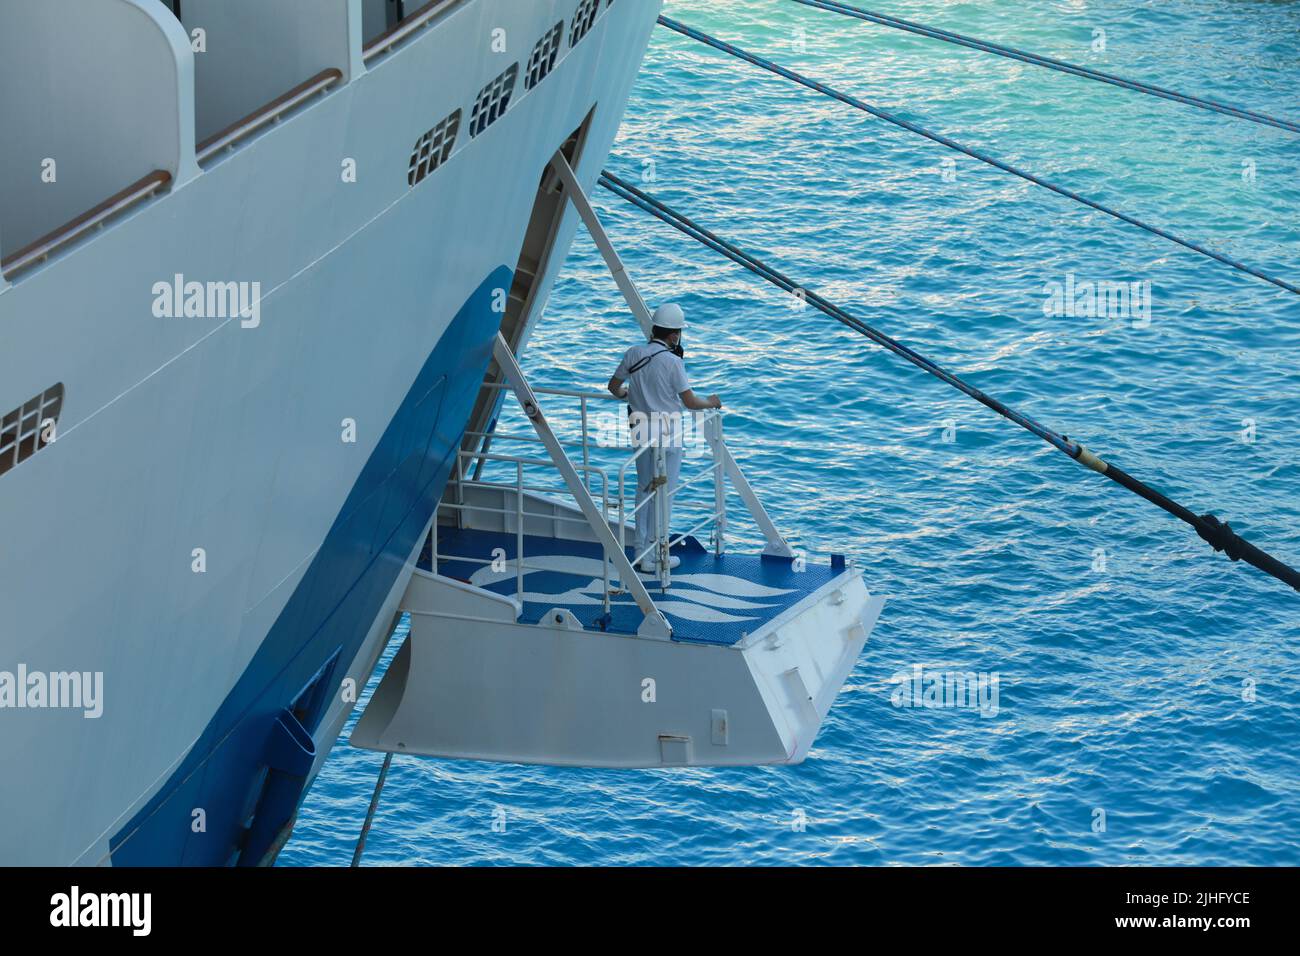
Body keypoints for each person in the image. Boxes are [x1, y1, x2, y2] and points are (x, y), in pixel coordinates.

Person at [608, 303, 722, 573]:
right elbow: (691, 402)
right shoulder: (673, 362)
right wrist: (713, 402)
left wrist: (629, 394)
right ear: (673, 335)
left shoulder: (634, 353)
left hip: (641, 432)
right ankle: (659, 552)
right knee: (664, 494)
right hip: (668, 435)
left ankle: (640, 553)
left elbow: (613, 387)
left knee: (644, 489)